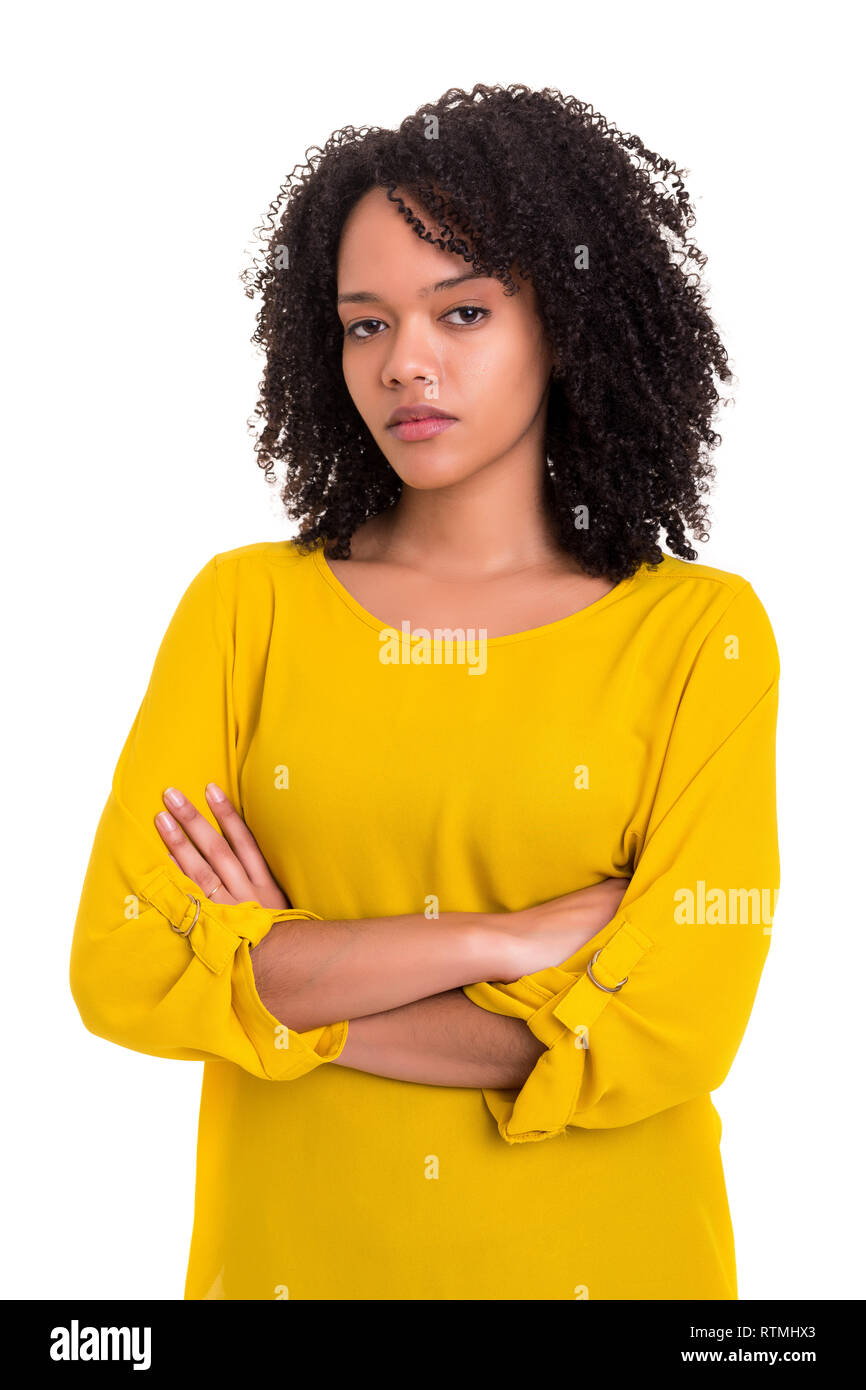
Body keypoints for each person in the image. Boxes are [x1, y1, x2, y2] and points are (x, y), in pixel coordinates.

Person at [70, 83, 780, 1300]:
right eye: (363, 325)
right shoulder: (245, 611)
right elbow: (125, 966)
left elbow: (665, 1025)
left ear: (565, 322)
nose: (405, 363)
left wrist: (276, 979)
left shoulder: (697, 633)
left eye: (461, 312)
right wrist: (512, 941)